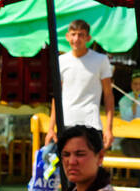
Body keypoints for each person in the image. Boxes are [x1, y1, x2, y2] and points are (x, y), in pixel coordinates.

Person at [49, 19, 114, 150]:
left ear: (88, 38)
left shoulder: (101, 60)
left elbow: (108, 95)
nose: (76, 39)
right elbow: (57, 96)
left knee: (90, 167)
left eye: (81, 35)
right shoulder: (61, 61)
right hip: (66, 123)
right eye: (73, 34)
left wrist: (109, 128)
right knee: (66, 167)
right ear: (67, 37)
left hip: (91, 123)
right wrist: (51, 128)